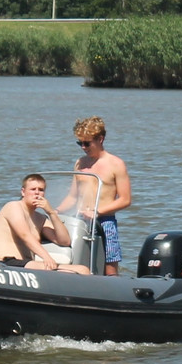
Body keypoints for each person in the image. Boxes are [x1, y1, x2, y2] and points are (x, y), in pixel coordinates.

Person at [61, 116, 132, 276]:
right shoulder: (80, 163)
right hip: (80, 221)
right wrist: (54, 212)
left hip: (105, 222)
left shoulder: (116, 164)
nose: (83, 147)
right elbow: (72, 197)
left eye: (87, 143)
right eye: (80, 143)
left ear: (100, 139)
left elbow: (125, 199)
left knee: (110, 265)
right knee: (76, 260)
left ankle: (112, 285)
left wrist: (97, 212)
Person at [0, 174, 91, 273]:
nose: (37, 193)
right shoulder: (13, 207)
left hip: (24, 265)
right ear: (23, 192)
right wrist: (47, 258)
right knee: (63, 269)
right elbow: (25, 235)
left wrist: (51, 212)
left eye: (41, 190)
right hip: (2, 262)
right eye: (33, 189)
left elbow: (64, 241)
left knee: (82, 270)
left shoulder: (40, 219)